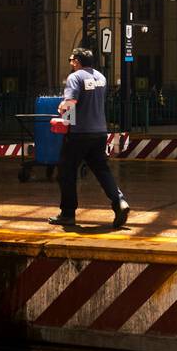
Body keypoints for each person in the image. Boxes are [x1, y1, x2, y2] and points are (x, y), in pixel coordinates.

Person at [49, 49, 130, 229]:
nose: (70, 63)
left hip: (79, 133)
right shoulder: (101, 77)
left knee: (66, 172)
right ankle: (119, 202)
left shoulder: (74, 77)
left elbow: (71, 103)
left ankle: (68, 214)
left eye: (71, 59)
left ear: (77, 61)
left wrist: (63, 113)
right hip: (99, 132)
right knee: (102, 170)